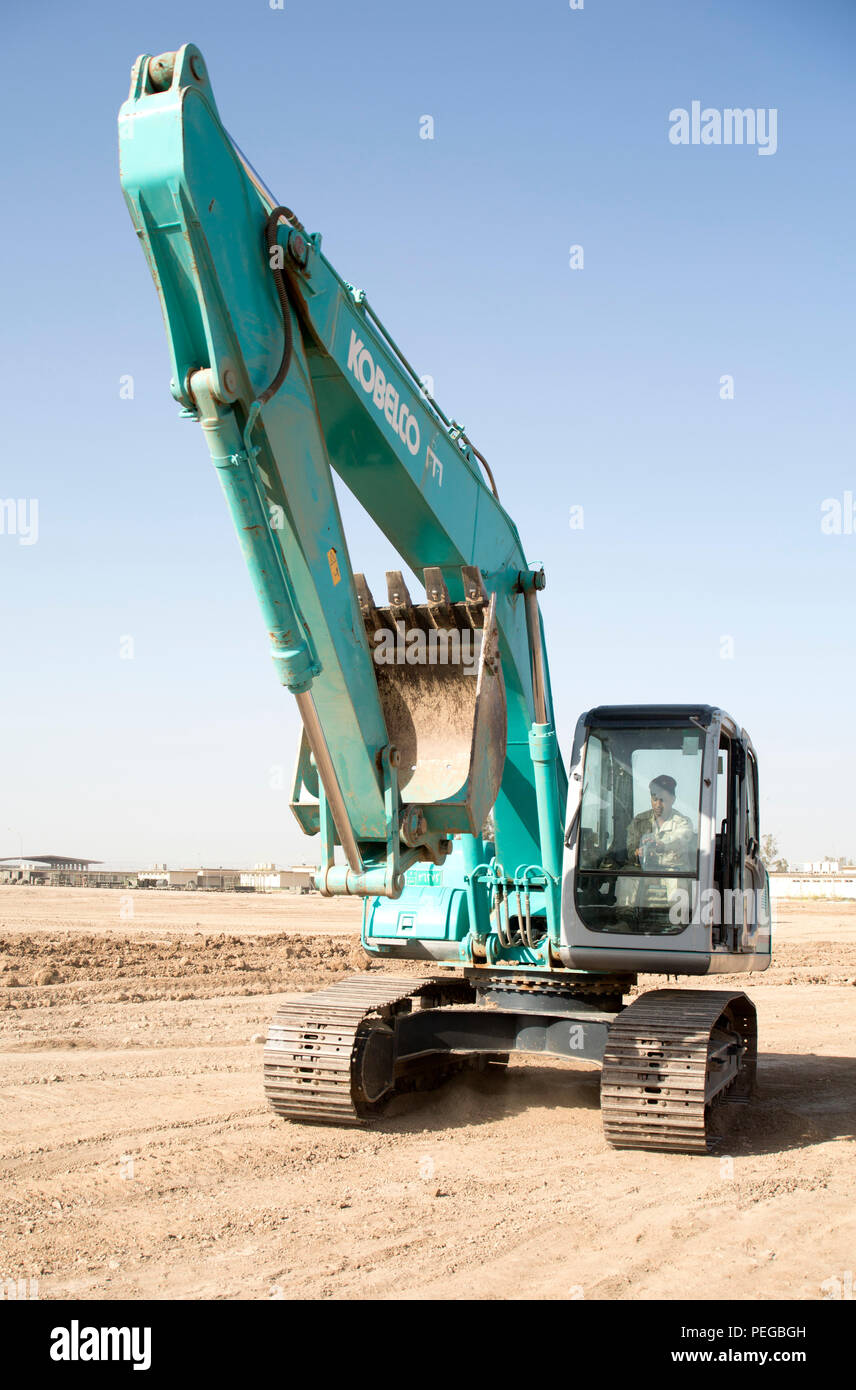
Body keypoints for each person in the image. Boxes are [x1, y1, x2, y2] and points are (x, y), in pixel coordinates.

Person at [617, 774, 696, 911]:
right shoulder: (639, 821)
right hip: (644, 871)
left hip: (673, 871)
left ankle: (676, 924)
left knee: (677, 881)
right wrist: (637, 852)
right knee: (628, 875)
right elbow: (631, 849)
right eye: (654, 799)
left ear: (673, 799)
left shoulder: (683, 822)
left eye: (663, 800)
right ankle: (625, 920)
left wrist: (661, 845)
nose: (658, 804)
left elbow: (679, 839)